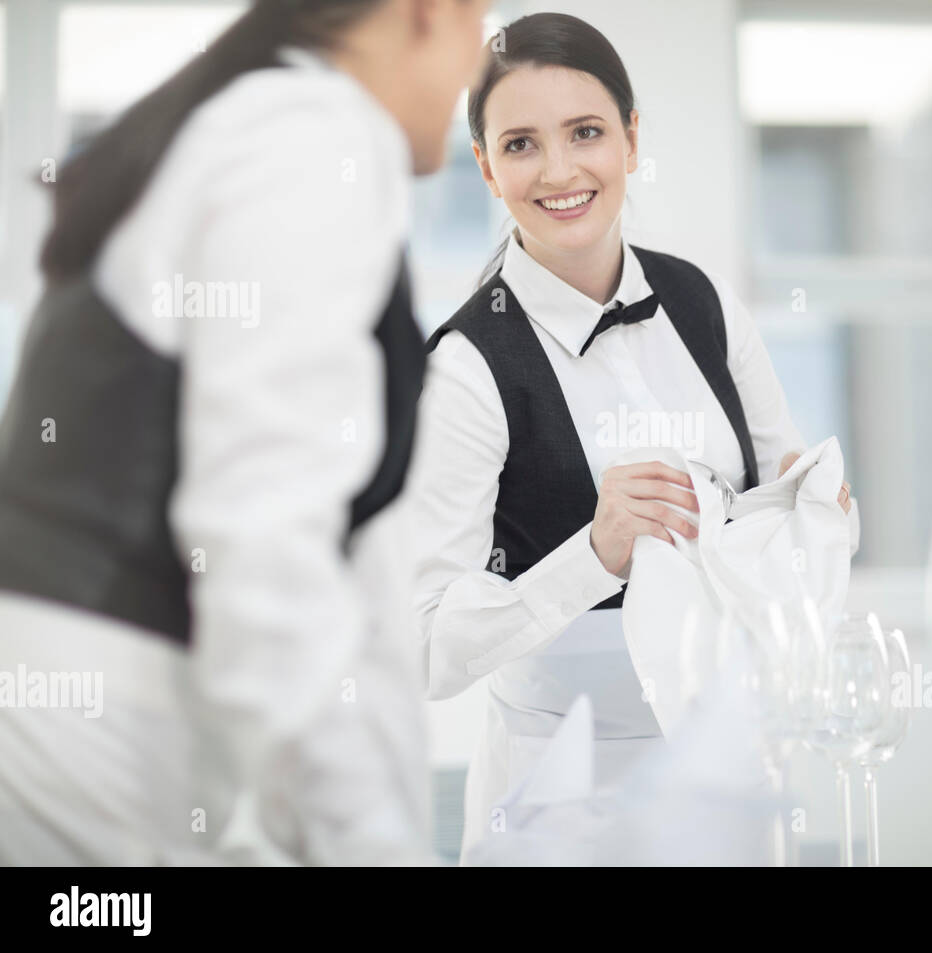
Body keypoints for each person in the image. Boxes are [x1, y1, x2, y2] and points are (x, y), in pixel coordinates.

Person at [0, 0, 491, 865]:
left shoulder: (260, 124)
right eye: (477, 27)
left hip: (90, 737)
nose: (471, 75)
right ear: (428, 10)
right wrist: (366, 842)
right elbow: (261, 533)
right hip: (90, 744)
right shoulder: (310, 136)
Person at [408, 12, 858, 859]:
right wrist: (593, 555)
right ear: (485, 166)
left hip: (727, 770)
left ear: (631, 138)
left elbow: (780, 498)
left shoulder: (703, 301)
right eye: (520, 145)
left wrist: (817, 513)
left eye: (585, 132)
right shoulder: (467, 369)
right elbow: (426, 648)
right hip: (558, 796)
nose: (560, 170)